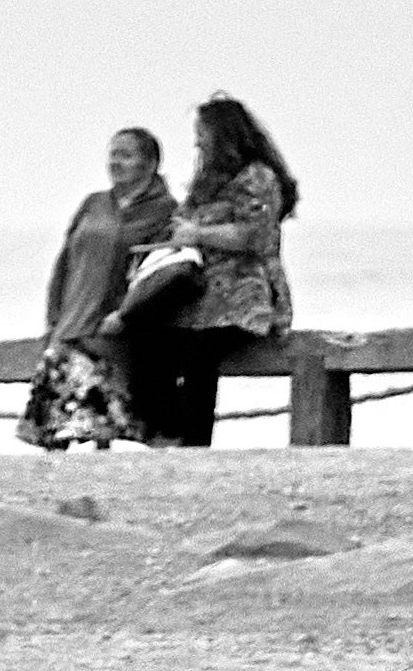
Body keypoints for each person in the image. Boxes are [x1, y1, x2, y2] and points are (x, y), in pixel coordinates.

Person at [111, 91, 288, 450]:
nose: (197, 141)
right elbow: (185, 220)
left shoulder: (257, 177)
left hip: (246, 299)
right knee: (144, 334)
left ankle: (194, 444)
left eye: (202, 133)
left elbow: (256, 234)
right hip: (203, 298)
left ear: (224, 134)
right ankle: (164, 431)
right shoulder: (206, 182)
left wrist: (199, 234)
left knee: (200, 351)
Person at [26, 124, 179, 452]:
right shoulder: (93, 204)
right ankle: (56, 467)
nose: (115, 162)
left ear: (150, 164)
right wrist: (53, 316)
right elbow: (64, 263)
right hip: (73, 319)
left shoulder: (166, 210)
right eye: (112, 154)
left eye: (125, 155)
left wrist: (127, 313)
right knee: (58, 398)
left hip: (120, 325)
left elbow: (163, 273)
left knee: (105, 404)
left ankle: (102, 458)